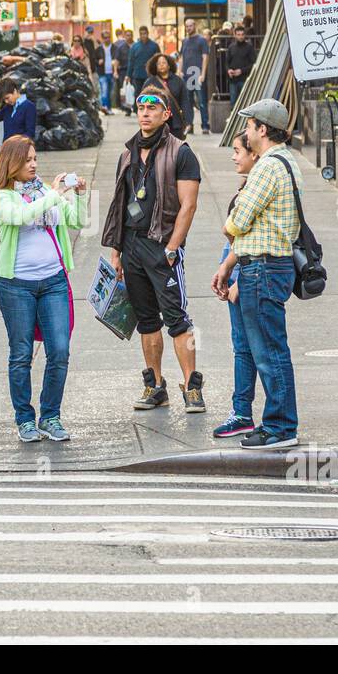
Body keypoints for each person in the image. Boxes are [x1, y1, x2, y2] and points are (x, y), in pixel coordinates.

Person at [101, 89, 205, 414]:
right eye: (140, 107)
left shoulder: (181, 153)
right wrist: (116, 249)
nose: (145, 113)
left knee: (177, 320)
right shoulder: (127, 153)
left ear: (166, 114)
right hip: (132, 246)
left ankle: (191, 387)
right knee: (146, 321)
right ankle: (155, 386)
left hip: (163, 247)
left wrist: (173, 248)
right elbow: (120, 204)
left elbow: (188, 206)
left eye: (152, 108)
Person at [210, 99, 302, 449]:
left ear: (263, 130)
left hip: (263, 268)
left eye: (250, 127)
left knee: (269, 351)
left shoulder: (268, 167)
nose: (247, 132)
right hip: (267, 265)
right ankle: (278, 422)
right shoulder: (286, 162)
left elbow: (238, 220)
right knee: (268, 347)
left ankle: (280, 427)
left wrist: (231, 229)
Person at [0, 135, 89, 442]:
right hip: (16, 285)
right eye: (27, 160)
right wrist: (55, 195)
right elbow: (20, 217)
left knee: (59, 350)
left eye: (35, 159)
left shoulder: (46, 190)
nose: (33, 164)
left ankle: (50, 416)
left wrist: (77, 196)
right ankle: (25, 419)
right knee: (21, 353)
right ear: (12, 163)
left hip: (54, 282)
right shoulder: (2, 197)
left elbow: (77, 222)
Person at [210, 131, 262, 438]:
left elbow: (248, 237)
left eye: (237, 151)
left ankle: (246, 412)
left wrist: (239, 276)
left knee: (251, 347)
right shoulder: (248, 185)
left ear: (253, 154)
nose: (233, 156)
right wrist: (225, 269)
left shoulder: (258, 187)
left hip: (248, 265)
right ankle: (242, 411)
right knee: (243, 346)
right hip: (235, 261)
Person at [145, 53, 188, 138]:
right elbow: (143, 101)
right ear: (155, 66)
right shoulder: (150, 82)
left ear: (169, 66)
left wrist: (188, 121)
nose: (161, 65)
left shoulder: (178, 81)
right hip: (156, 122)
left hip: (176, 123)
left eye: (164, 63)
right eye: (159, 63)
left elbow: (185, 101)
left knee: (175, 148)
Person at [180, 19, 211, 135]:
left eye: (190, 26)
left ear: (195, 26)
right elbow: (182, 57)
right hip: (187, 75)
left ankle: (205, 126)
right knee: (188, 102)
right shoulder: (184, 41)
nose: (188, 28)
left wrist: (203, 74)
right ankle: (190, 125)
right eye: (186, 26)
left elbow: (205, 58)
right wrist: (180, 71)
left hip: (197, 75)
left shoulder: (202, 40)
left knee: (202, 101)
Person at [125, 26, 159, 115]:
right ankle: (138, 110)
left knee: (151, 93)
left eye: (145, 33)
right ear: (139, 35)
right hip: (137, 74)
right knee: (138, 93)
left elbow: (158, 60)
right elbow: (131, 62)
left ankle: (151, 109)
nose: (143, 36)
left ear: (147, 34)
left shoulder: (154, 46)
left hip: (150, 75)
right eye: (141, 34)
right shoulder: (135, 47)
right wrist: (128, 75)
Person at [226, 25, 256, 104]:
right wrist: (229, 70)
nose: (241, 37)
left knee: (245, 102)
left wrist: (241, 71)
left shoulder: (249, 47)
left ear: (245, 35)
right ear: (235, 35)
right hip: (233, 80)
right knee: (233, 103)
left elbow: (253, 64)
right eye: (238, 35)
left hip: (244, 79)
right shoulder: (231, 47)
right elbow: (226, 62)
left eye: (242, 34)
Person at [96, 28, 116, 115]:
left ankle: (109, 108)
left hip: (111, 73)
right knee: (104, 91)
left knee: (110, 92)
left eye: (108, 37)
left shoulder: (114, 48)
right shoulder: (99, 49)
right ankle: (105, 107)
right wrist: (98, 61)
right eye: (105, 38)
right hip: (102, 73)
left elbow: (118, 58)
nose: (106, 39)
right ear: (102, 39)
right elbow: (94, 60)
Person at [113, 28, 132, 110]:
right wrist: (115, 71)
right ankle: (126, 108)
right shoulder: (120, 47)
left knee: (134, 89)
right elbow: (116, 60)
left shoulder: (135, 45)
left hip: (133, 71)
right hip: (123, 71)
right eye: (127, 35)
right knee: (124, 90)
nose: (129, 37)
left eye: (130, 35)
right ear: (125, 36)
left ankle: (135, 106)